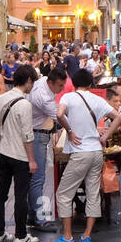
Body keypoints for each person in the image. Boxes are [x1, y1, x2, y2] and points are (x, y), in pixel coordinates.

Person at [47, 68, 117, 242]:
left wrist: (69, 131)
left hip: (80, 153)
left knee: (63, 193)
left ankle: (68, 236)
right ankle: (86, 236)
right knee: (93, 193)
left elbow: (59, 114)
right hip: (96, 152)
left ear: (75, 83)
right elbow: (118, 117)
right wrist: (104, 136)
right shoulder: (97, 99)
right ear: (90, 84)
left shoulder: (68, 98)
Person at [0, 65, 40, 242]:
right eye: (33, 82)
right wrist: (32, 160)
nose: (33, 85)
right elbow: (27, 135)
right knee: (20, 195)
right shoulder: (25, 104)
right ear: (28, 81)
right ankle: (21, 235)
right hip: (20, 156)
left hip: (4, 152)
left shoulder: (1, 98)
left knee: (0, 193)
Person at [28, 66, 68, 233]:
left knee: (34, 179)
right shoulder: (44, 97)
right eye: (59, 86)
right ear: (50, 82)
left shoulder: (43, 81)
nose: (61, 89)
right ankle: (39, 219)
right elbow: (61, 118)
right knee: (38, 178)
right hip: (38, 136)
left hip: (36, 132)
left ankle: (33, 215)